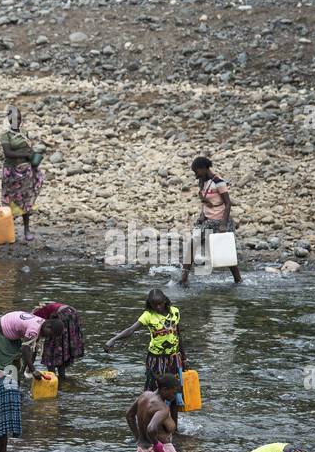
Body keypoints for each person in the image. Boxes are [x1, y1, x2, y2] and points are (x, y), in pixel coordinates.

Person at [104, 288, 187, 426]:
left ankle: (174, 427)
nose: (158, 307)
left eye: (160, 304)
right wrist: (113, 339)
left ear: (165, 301)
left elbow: (178, 336)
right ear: (150, 305)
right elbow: (131, 329)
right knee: (153, 393)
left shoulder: (174, 312)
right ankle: (148, 425)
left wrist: (184, 358)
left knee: (173, 393)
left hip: (173, 359)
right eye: (154, 305)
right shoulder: (148, 315)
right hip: (156, 360)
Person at [181, 156, 242, 286]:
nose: (195, 175)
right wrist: (202, 215)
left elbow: (228, 203)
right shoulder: (202, 182)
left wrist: (223, 224)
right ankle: (184, 277)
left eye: (196, 171)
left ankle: (238, 280)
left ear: (204, 168)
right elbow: (206, 202)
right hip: (208, 220)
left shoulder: (219, 182)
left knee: (225, 251)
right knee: (193, 244)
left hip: (220, 221)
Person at [0, 105, 44, 242]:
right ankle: (8, 231)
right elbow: (8, 153)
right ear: (8, 119)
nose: (17, 121)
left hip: (25, 170)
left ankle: (26, 230)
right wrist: (25, 153)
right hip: (11, 172)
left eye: (19, 118)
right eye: (14, 119)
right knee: (9, 201)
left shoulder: (24, 132)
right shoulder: (5, 135)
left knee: (26, 200)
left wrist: (32, 156)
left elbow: (28, 148)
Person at [0, 310, 63, 380]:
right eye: (50, 334)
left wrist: (27, 371)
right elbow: (25, 349)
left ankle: (17, 380)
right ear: (48, 327)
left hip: (11, 332)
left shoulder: (42, 322)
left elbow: (33, 350)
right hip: (0, 333)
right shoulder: (34, 330)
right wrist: (33, 370)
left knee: (16, 360)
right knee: (3, 365)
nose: (49, 337)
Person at [31, 301, 85, 380]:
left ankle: (52, 376)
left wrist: (30, 367)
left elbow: (34, 344)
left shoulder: (35, 318)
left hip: (62, 316)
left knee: (51, 349)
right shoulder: (48, 307)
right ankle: (62, 376)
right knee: (63, 348)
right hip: (72, 313)